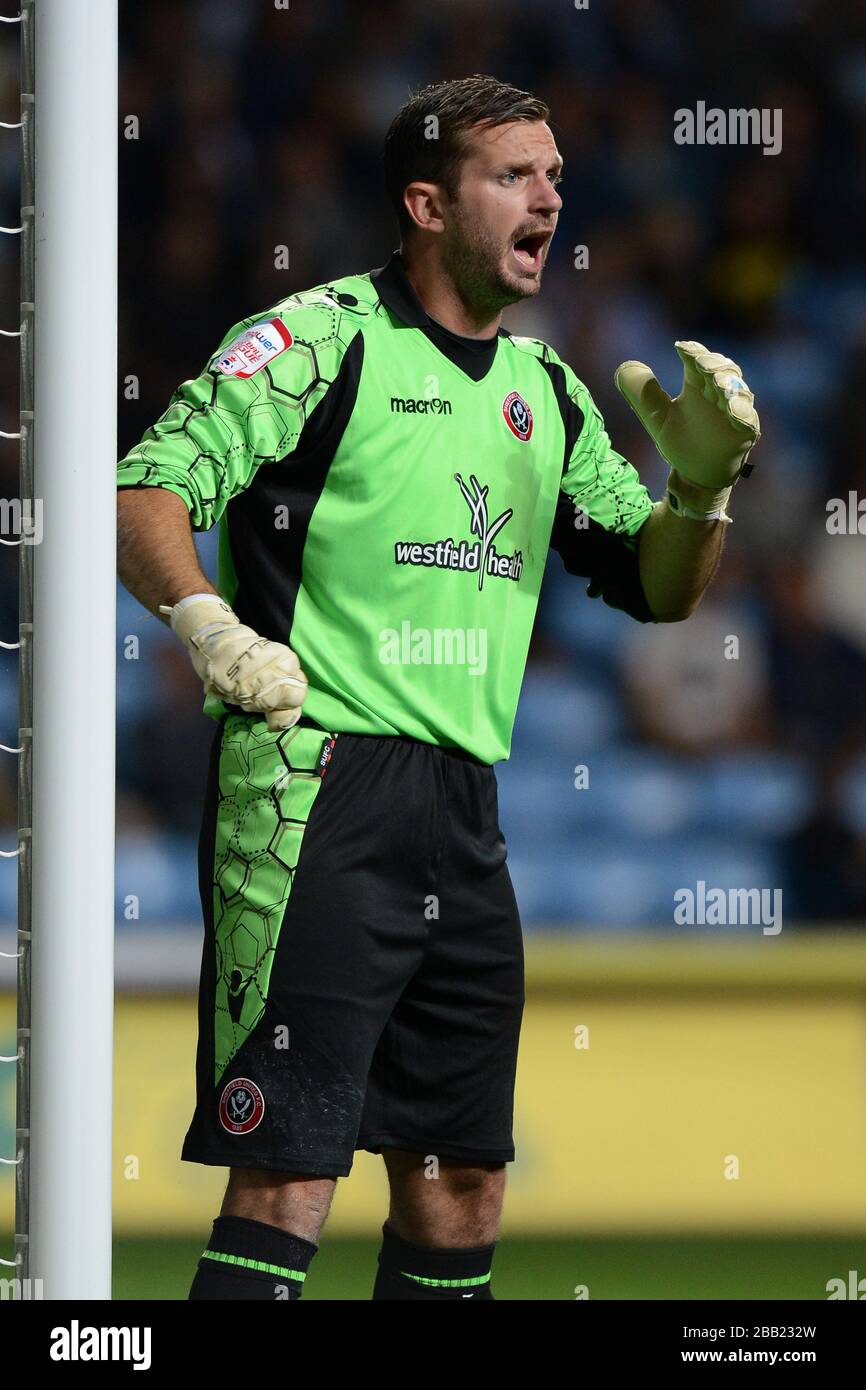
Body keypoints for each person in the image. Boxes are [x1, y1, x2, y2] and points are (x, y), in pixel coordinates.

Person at [116, 74, 759, 1301]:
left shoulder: (551, 395)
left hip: (461, 813)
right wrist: (206, 624)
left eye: (556, 175)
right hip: (313, 791)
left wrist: (696, 494)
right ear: (424, 202)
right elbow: (144, 488)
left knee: (462, 1185)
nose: (549, 197)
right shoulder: (316, 341)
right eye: (513, 175)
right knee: (288, 1173)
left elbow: (660, 587)